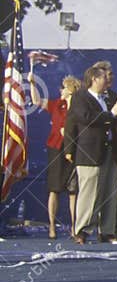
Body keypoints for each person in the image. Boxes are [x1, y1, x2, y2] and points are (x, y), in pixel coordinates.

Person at [64, 63, 117, 244]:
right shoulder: (80, 97)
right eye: (103, 77)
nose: (107, 80)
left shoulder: (110, 98)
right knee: (89, 192)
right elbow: (86, 119)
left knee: (109, 192)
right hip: (89, 152)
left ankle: (107, 230)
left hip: (110, 150)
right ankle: (82, 230)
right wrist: (112, 113)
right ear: (94, 79)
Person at [28, 73, 81, 239]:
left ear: (71, 90)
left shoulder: (80, 109)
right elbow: (37, 101)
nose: (61, 90)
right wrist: (32, 83)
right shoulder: (57, 105)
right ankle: (52, 227)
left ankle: (75, 228)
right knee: (54, 189)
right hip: (56, 149)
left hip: (74, 150)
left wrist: (70, 134)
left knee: (73, 191)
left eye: (64, 87)